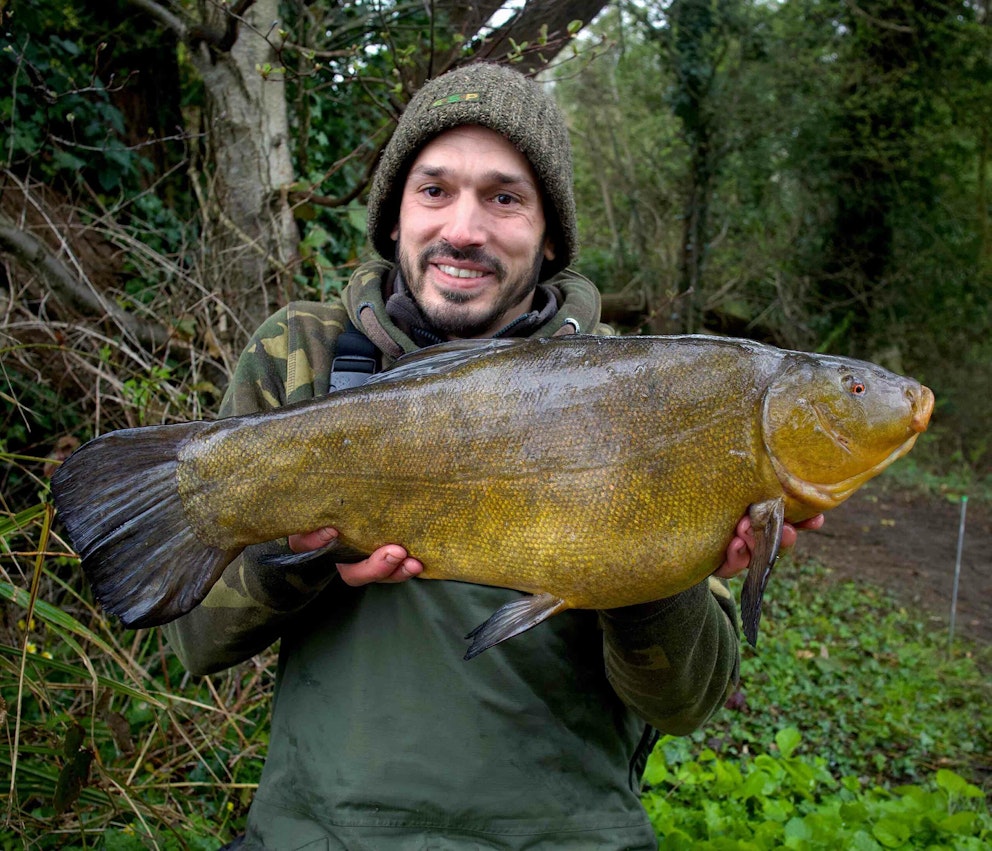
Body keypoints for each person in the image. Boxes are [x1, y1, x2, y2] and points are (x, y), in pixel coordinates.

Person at [165, 63, 822, 850]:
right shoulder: (302, 354)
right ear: (395, 216)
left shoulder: (656, 388)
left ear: (550, 238)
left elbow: (684, 704)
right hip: (324, 834)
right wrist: (303, 558)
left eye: (505, 197)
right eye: (434, 190)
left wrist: (646, 565)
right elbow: (194, 640)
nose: (464, 229)